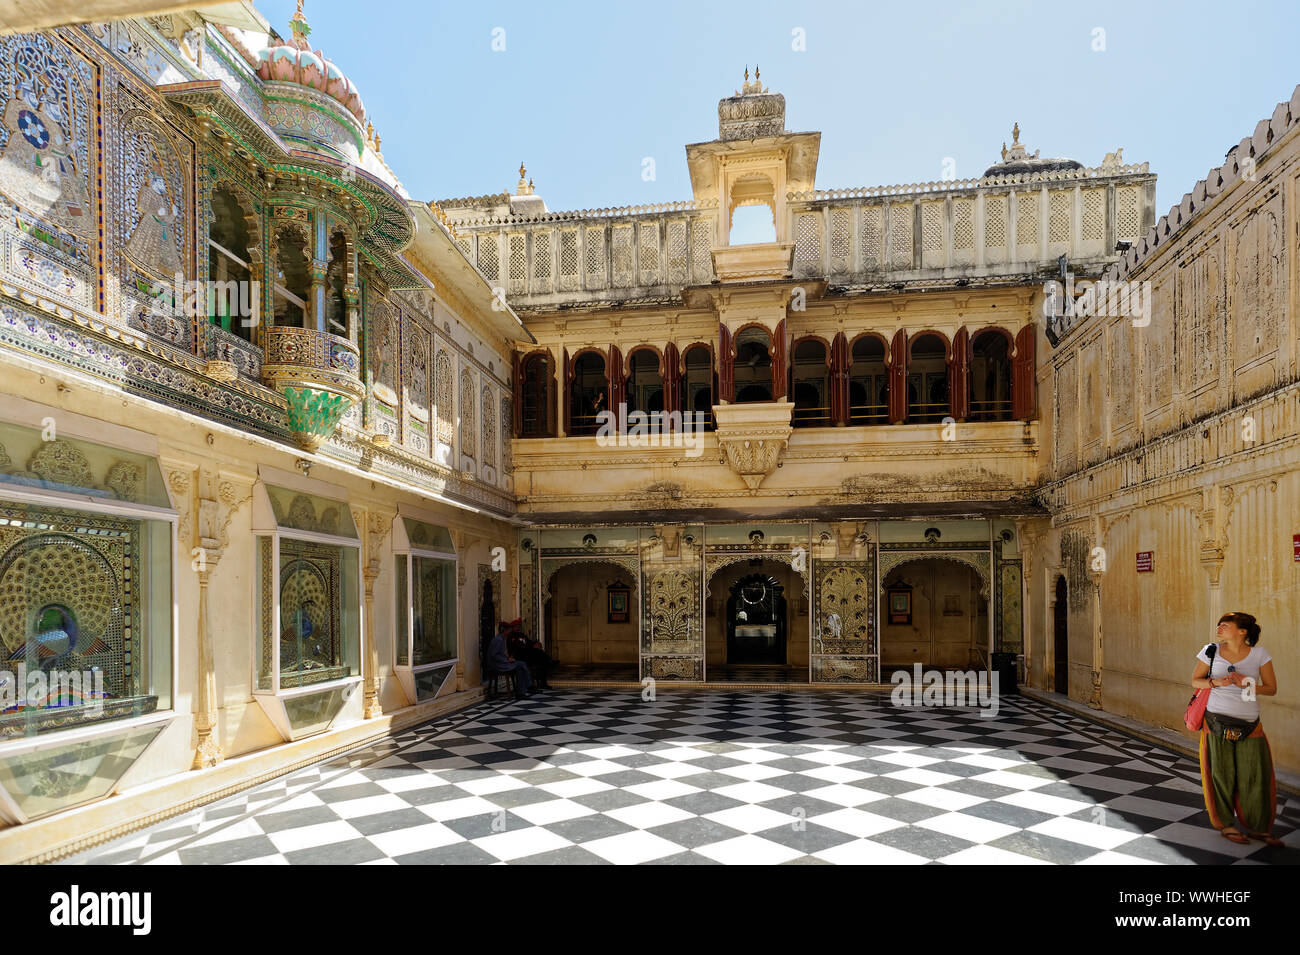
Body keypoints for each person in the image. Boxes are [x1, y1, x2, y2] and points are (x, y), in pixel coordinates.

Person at [1191, 611, 1281, 847]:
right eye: (1219, 624)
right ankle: (1226, 825)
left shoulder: (1260, 654)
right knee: (1221, 775)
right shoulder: (1210, 650)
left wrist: (1247, 683)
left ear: (1242, 631)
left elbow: (1271, 688)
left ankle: (1259, 828)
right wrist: (1215, 683)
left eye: (1225, 624)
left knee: (1255, 775)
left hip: (1250, 724)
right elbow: (1195, 680)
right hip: (1215, 722)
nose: (1219, 627)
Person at [487, 620, 532, 699]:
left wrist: (508, 658)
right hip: (497, 665)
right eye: (508, 630)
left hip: (502, 662)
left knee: (520, 667)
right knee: (521, 664)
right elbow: (494, 655)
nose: (509, 632)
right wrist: (507, 660)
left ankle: (521, 692)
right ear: (504, 630)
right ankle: (528, 686)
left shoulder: (502, 638)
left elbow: (500, 654)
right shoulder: (498, 640)